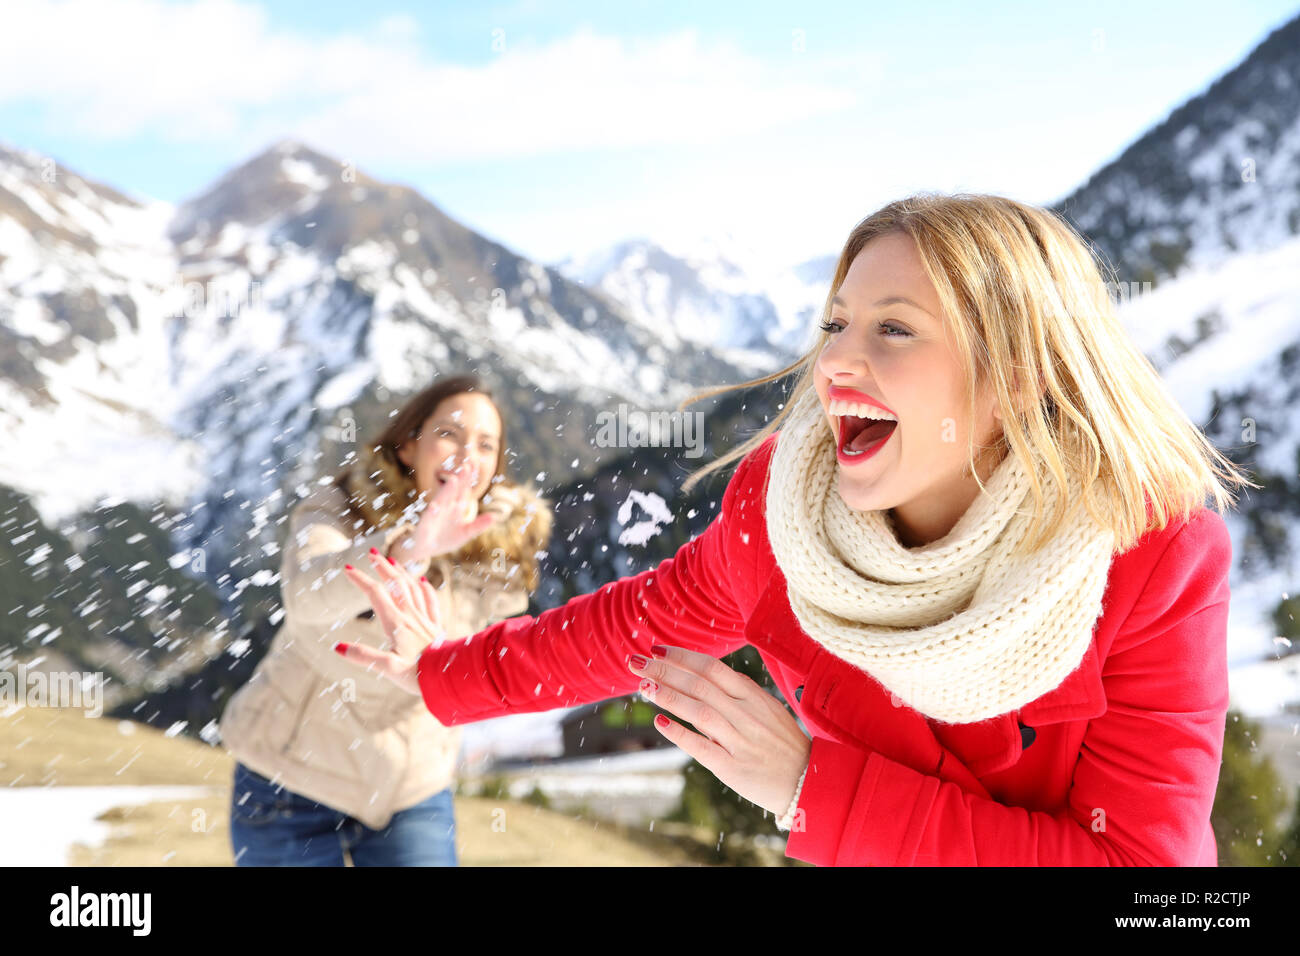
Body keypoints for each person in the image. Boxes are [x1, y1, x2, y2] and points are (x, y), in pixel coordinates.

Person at [336, 194, 1257, 866]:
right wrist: (438, 673)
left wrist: (814, 790)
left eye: (895, 330)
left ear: (1017, 376)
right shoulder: (782, 519)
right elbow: (625, 633)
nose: (837, 362)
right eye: (837, 323)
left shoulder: (1150, 558)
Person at [219, 374, 552, 866]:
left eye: (486, 445)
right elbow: (306, 594)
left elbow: (494, 646)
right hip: (289, 779)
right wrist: (407, 551)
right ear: (407, 446)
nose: (467, 455)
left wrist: (509, 543)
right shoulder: (338, 508)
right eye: (449, 434)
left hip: (412, 789)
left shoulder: (493, 549)